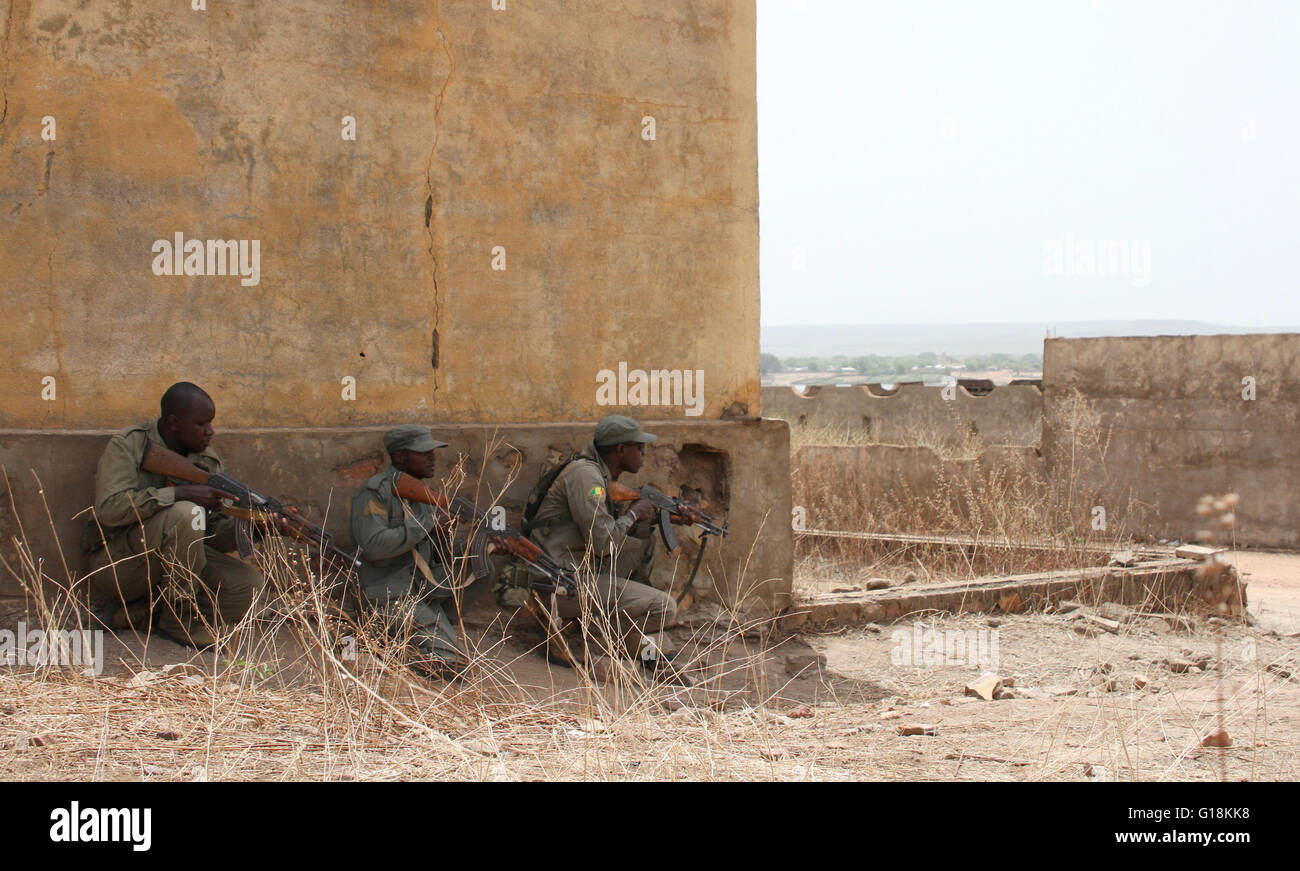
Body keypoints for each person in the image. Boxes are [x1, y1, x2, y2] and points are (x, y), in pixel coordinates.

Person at [85, 382, 267, 650]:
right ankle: (181, 620)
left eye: (211, 423)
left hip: (178, 565)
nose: (210, 431)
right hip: (120, 564)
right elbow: (109, 509)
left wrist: (258, 527)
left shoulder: (206, 460)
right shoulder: (131, 444)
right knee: (186, 512)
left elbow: (212, 536)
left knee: (248, 587)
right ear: (173, 422)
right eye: (201, 424)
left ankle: (144, 615)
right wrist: (179, 494)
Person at [525, 414, 699, 677]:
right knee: (663, 607)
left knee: (642, 539)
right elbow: (603, 542)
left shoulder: (596, 473)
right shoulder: (587, 477)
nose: (643, 453)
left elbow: (606, 528)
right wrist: (632, 514)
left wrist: (665, 516)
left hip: (577, 574)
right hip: (560, 582)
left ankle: (621, 640)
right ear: (620, 450)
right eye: (638, 447)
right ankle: (598, 638)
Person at [348, 424, 468, 680]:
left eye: (432, 452)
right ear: (400, 457)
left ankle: (423, 630)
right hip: (388, 596)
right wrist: (427, 525)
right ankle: (380, 641)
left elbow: (431, 551)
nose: (432, 458)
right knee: (454, 667)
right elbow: (373, 546)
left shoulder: (420, 493)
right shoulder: (376, 491)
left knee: (477, 567)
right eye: (423, 453)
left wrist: (481, 545)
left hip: (420, 589)